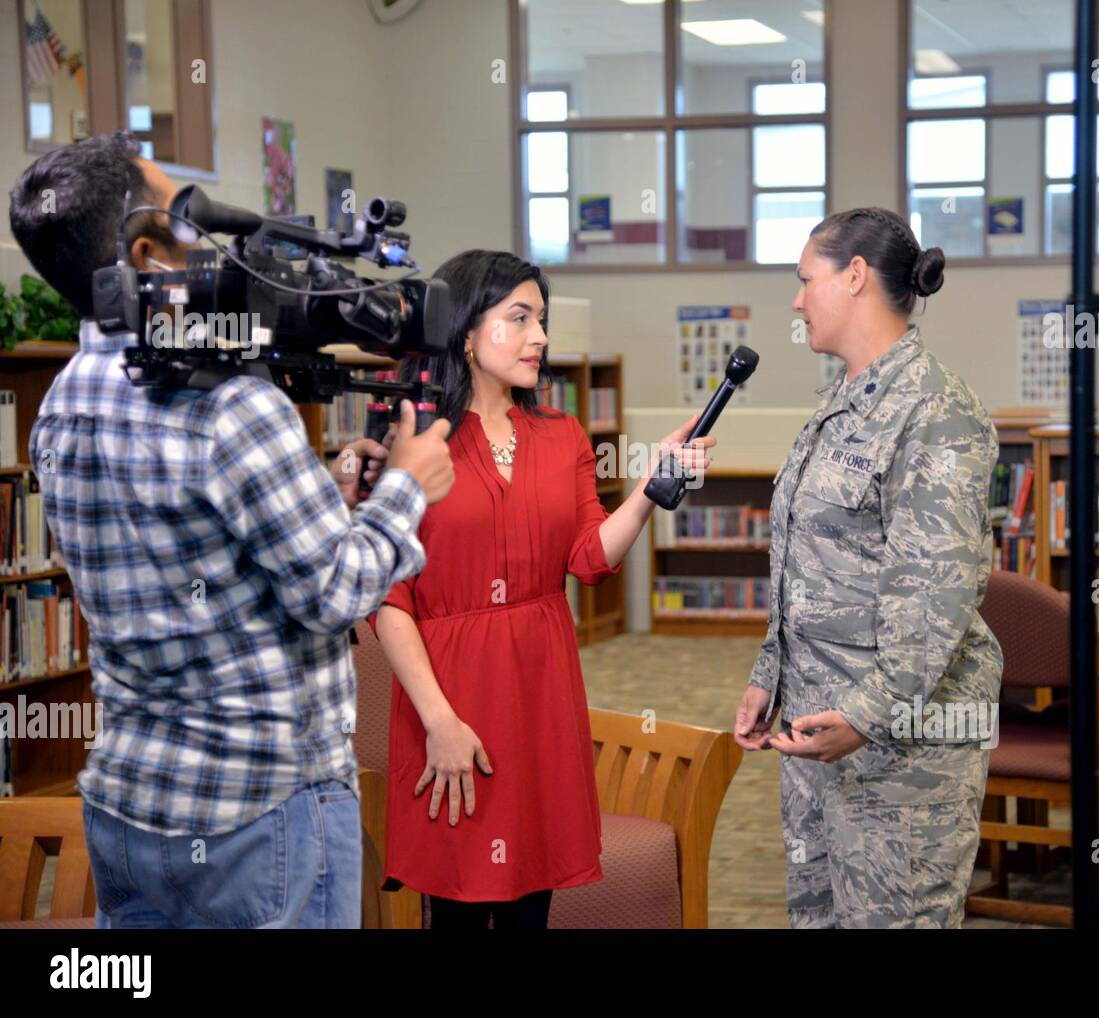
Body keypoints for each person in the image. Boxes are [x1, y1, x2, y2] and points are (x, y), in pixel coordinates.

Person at [8, 131, 455, 928]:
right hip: (260, 811)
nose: (211, 247)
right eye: (190, 223)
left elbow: (189, 546)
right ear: (147, 257)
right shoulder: (235, 402)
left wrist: (326, 501)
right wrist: (407, 491)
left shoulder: (62, 402)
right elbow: (338, 591)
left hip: (129, 802)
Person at [372, 249, 714, 930]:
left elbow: (589, 557)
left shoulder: (561, 436)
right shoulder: (414, 437)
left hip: (540, 697)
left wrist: (650, 488)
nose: (541, 337)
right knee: (460, 907)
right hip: (448, 702)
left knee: (534, 905)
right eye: (519, 318)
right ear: (466, 331)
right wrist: (439, 723)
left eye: (543, 320)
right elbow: (391, 600)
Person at [733, 207, 1002, 929]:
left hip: (899, 747)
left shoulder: (936, 409)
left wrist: (866, 713)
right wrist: (771, 675)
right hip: (821, 731)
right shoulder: (845, 402)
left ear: (854, 277)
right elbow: (806, 561)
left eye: (805, 279)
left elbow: (935, 596)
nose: (796, 300)